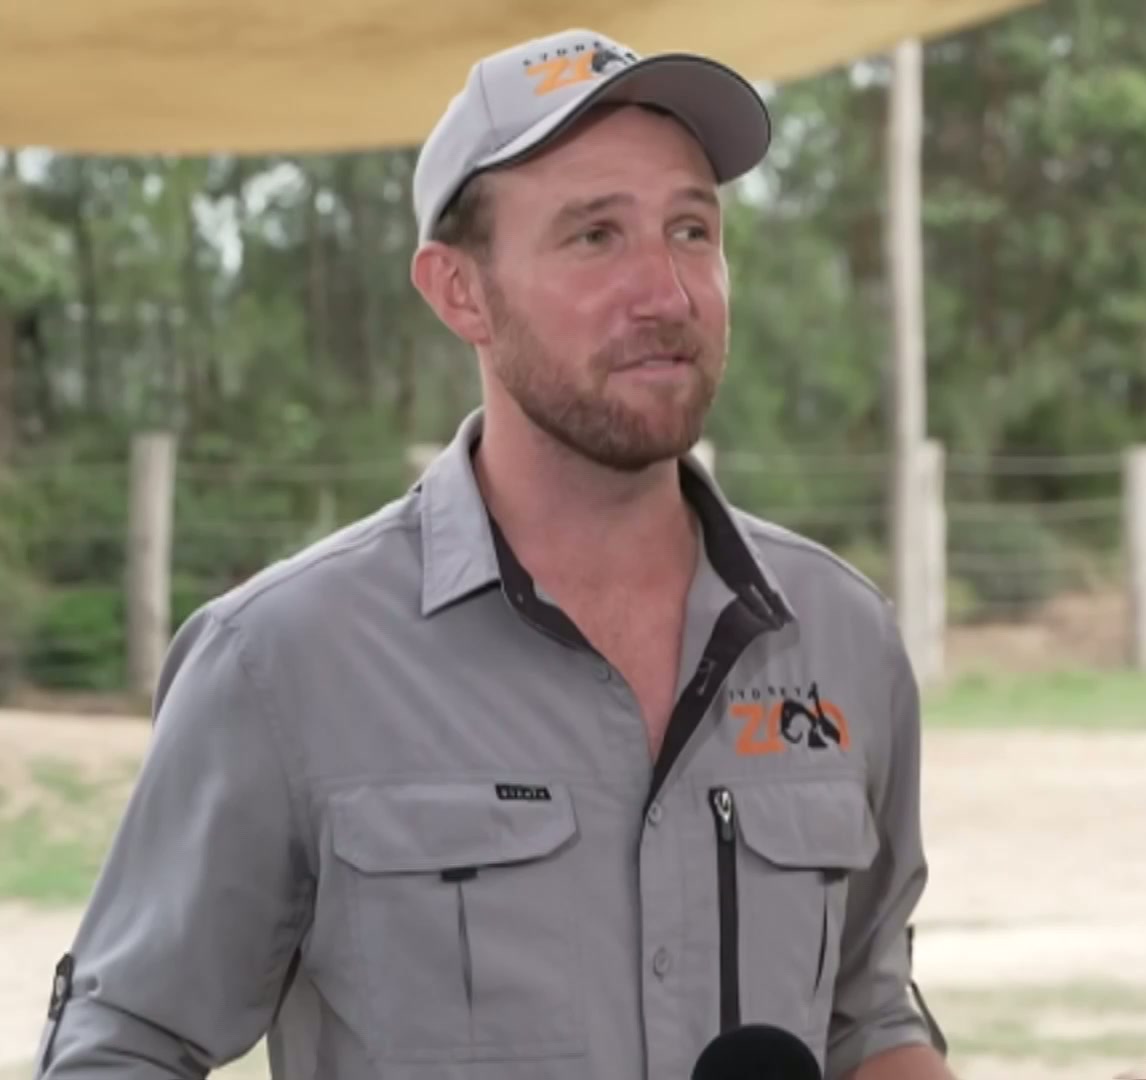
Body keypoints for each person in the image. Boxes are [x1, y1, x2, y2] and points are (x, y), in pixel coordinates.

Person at [33, 27, 952, 1080]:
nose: (668, 291)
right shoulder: (280, 663)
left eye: (692, 229)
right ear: (459, 291)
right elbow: (126, 1044)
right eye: (595, 237)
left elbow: (866, 1010)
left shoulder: (841, 642)